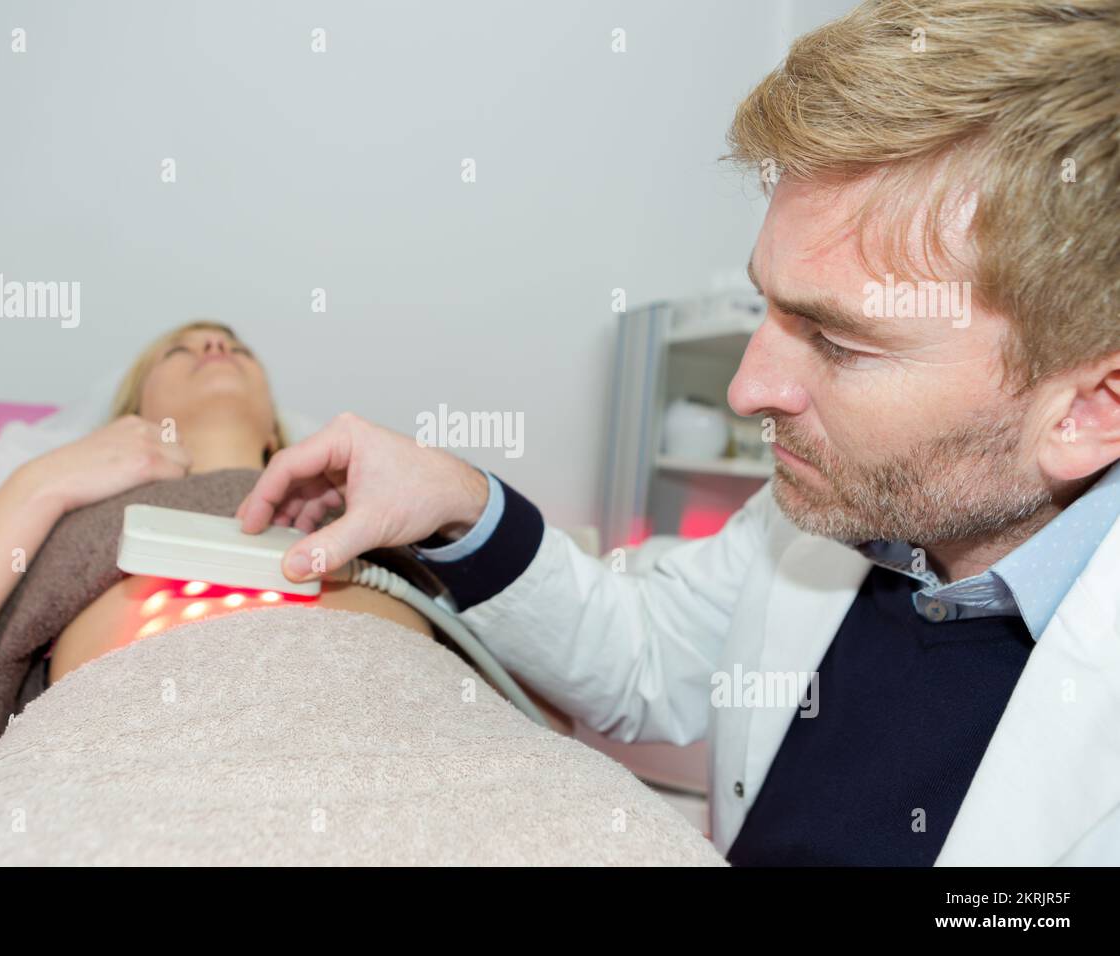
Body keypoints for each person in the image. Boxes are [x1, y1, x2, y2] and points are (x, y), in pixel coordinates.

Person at [236, 0, 1120, 865]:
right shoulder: (854, 512)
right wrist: (461, 506)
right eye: (764, 306)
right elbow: (648, 657)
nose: (747, 389)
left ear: (1091, 409)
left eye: (838, 341)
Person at [0, 321, 440, 832]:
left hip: (415, 772)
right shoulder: (62, 519)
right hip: (131, 795)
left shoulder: (381, 507)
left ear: (279, 430)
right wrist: (39, 486)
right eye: (179, 349)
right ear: (130, 411)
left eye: (238, 346)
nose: (214, 345)